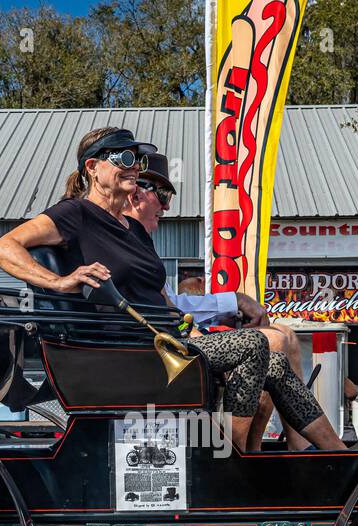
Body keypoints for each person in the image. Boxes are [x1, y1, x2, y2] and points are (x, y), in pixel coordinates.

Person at [0, 126, 345, 451]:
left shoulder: (134, 230)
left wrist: (194, 320)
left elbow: (160, 297)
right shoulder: (75, 214)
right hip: (128, 356)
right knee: (253, 343)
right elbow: (2, 248)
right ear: (93, 168)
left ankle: (338, 460)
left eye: (137, 161)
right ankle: (229, 462)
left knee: (278, 363)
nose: (134, 168)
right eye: (124, 158)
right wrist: (60, 280)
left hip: (164, 344)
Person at [124, 150, 326, 449]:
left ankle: (292, 447)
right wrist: (223, 307)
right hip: (156, 347)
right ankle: (246, 452)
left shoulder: (136, 240)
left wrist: (231, 303)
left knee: (285, 335)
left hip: (167, 337)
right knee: (271, 342)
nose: (166, 207)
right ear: (136, 192)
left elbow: (167, 303)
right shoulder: (125, 237)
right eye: (163, 195)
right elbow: (163, 308)